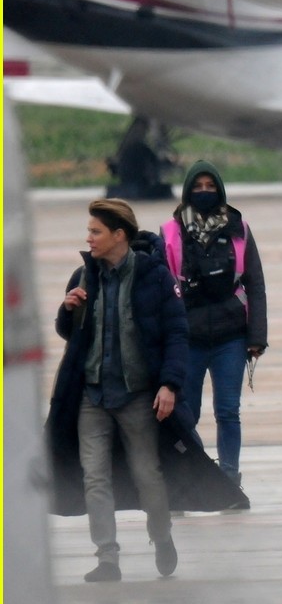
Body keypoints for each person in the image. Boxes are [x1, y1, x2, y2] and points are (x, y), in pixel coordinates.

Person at [50, 199, 185, 582]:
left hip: (137, 395)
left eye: (96, 231)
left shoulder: (155, 277)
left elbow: (176, 333)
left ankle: (161, 536)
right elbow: (68, 333)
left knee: (147, 474)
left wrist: (170, 384)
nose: (88, 238)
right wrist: (68, 309)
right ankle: (107, 557)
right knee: (94, 476)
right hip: (91, 395)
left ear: (118, 235)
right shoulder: (83, 276)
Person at [161, 161, 268, 492]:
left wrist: (257, 337)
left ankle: (229, 477)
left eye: (210, 186)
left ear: (220, 190)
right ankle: (190, 474)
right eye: (198, 186)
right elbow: (161, 289)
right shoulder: (170, 232)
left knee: (227, 411)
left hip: (231, 338)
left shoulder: (240, 229)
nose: (204, 192)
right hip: (187, 338)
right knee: (185, 415)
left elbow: (255, 285)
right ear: (187, 191)